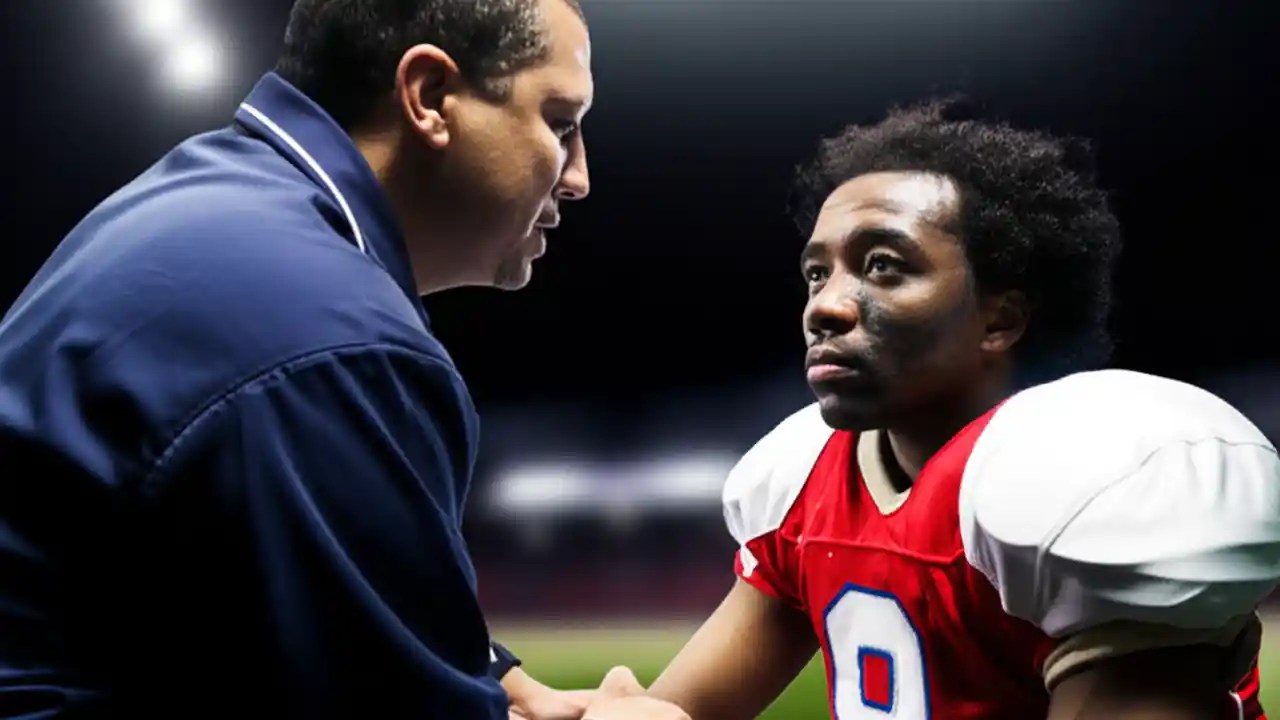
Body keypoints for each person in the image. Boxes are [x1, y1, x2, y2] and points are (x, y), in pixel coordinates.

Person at [0, 0, 686, 718]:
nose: (578, 176)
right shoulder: (332, 341)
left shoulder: (220, 206)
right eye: (561, 123)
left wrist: (500, 682)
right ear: (429, 98)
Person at [644, 99, 1280, 719]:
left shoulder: (1078, 478)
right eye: (817, 273)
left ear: (999, 320)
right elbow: (677, 711)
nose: (825, 307)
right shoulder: (801, 478)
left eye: (882, 266)